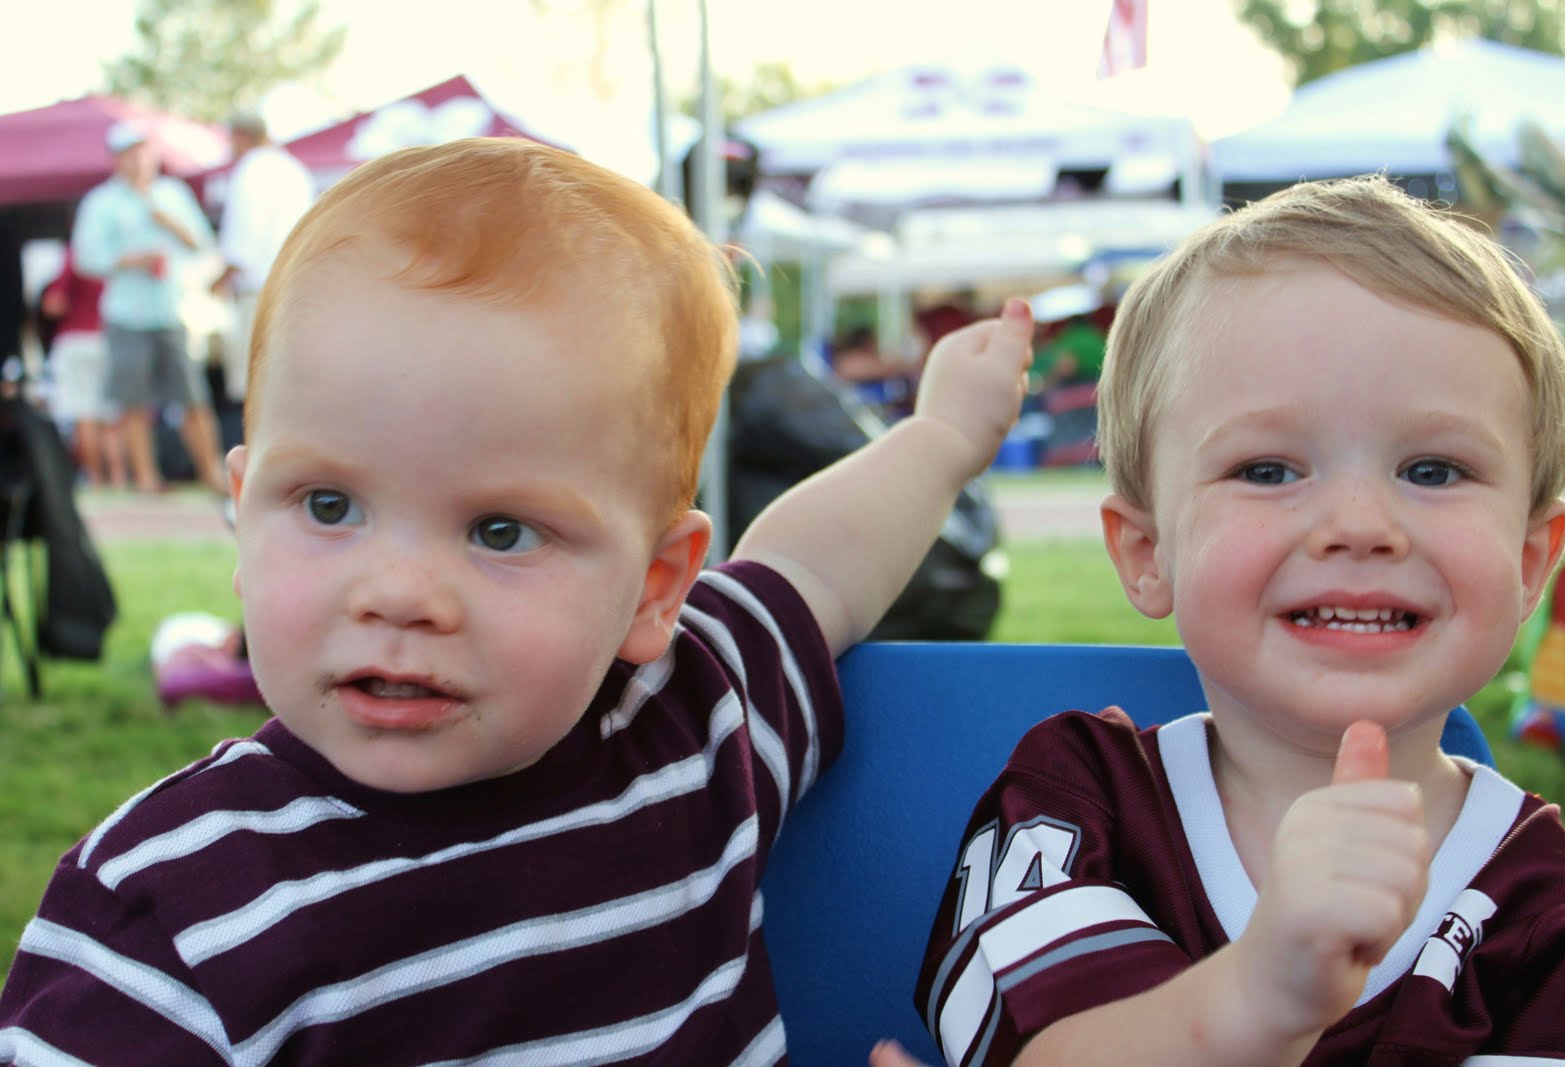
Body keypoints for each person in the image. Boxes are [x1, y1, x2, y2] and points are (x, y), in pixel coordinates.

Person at [0, 137, 1033, 1064]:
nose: (399, 592)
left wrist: (940, 437)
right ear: (242, 511)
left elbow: (818, 567)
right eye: (327, 503)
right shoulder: (170, 909)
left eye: (500, 530)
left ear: (652, 587)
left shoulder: (694, 722)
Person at [882, 176, 1565, 1067]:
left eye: (1434, 469)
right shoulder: (1075, 806)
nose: (1361, 526)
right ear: (1148, 552)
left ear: (1531, 562)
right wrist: (1264, 993)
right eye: (1267, 470)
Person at [71, 119, 228, 496]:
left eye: (144, 151)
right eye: (130, 153)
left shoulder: (173, 194)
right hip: (127, 313)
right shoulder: (101, 202)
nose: (139, 160)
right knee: (132, 402)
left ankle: (213, 474)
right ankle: (145, 478)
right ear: (117, 160)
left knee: (193, 396)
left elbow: (202, 244)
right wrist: (130, 260)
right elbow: (86, 257)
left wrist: (170, 224)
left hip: (171, 310)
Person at [210, 109, 315, 412]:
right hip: (295, 288)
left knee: (257, 388)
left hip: (258, 293)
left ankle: (262, 458)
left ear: (241, 136)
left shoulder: (250, 170)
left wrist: (218, 280)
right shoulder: (294, 170)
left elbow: (242, 243)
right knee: (290, 382)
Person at [39, 247, 126, 487]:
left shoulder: (76, 255)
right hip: (107, 339)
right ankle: (118, 477)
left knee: (83, 414)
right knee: (110, 417)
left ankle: (95, 477)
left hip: (75, 340)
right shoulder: (115, 255)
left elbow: (53, 303)